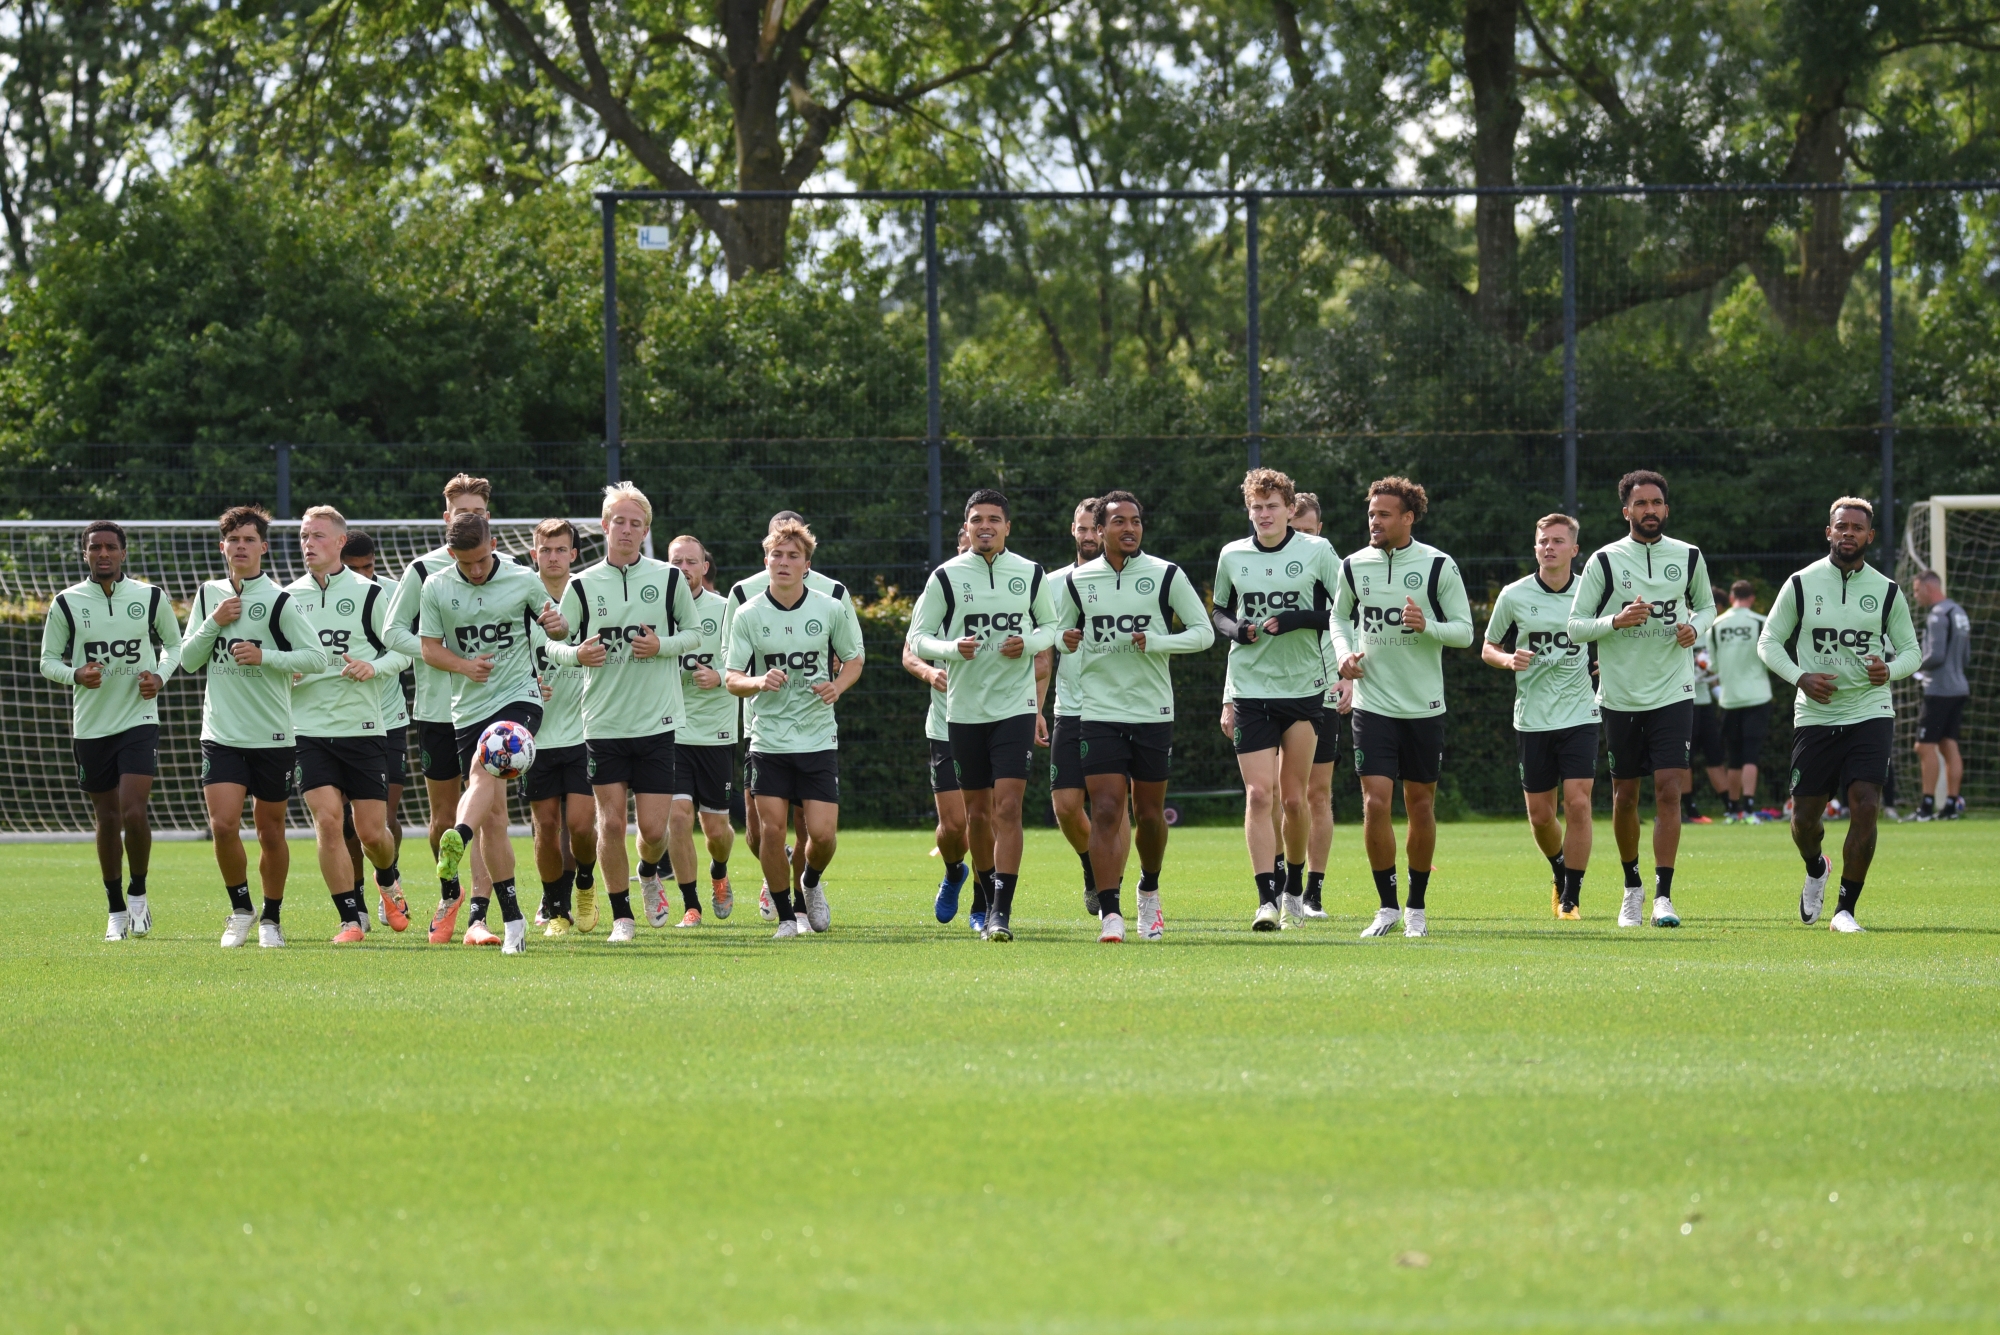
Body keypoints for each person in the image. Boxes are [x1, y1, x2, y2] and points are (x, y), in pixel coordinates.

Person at [541, 484, 700, 942]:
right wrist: (577, 656)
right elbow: (557, 644)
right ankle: (621, 917)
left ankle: (649, 872)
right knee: (608, 822)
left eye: (635, 523)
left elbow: (693, 634)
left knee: (652, 830)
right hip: (603, 722)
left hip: (656, 721)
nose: (626, 529)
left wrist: (661, 645)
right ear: (604, 525)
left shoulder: (669, 579)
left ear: (645, 529)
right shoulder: (583, 584)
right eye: (618, 521)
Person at [1057, 491, 1215, 943]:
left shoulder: (1166, 574)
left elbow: (1203, 634)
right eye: (1118, 522)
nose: (1129, 528)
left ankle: (1149, 889)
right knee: (1105, 809)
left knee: (1148, 815)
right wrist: (1065, 638)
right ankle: (1111, 913)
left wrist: (1158, 642)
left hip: (1151, 712)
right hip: (1098, 711)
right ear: (1100, 529)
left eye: (1136, 521)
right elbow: (1058, 633)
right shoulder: (1078, 581)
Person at [1758, 498, 1920, 932]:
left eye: (1857, 528)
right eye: (1841, 526)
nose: (1848, 533)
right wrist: (1800, 677)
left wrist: (1890, 670)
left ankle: (1845, 910)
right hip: (1816, 715)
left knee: (1865, 805)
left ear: (1870, 536)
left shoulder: (1887, 590)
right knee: (1804, 820)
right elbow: (1769, 641)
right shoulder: (1801, 583)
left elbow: (1911, 652)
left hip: (1871, 711)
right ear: (1828, 532)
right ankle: (1816, 869)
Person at [905, 489, 1059, 942]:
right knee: (974, 817)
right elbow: (918, 639)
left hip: (1015, 707)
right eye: (977, 519)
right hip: (964, 712)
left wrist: (1028, 643)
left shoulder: (1030, 573)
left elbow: (1050, 628)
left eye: (994, 519)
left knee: (1008, 808)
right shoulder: (946, 577)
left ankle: (1000, 911)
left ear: (1008, 527)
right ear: (967, 526)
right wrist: (953, 650)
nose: (985, 526)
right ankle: (980, 893)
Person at [1566, 470, 1715, 929]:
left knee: (1669, 788)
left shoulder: (1688, 556)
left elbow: (1707, 606)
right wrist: (1616, 621)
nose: (1649, 510)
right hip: (1621, 696)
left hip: (1674, 690)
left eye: (1656, 503)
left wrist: (1697, 627)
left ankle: (1664, 896)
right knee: (1625, 796)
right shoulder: (1605, 561)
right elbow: (1575, 625)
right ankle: (1632, 888)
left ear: (1666, 509)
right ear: (1626, 510)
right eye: (1640, 503)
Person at [1330, 477, 1474, 939]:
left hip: (1423, 707)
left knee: (1420, 804)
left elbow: (1466, 632)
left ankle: (1416, 906)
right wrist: (1343, 653)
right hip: (1373, 705)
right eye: (1371, 514)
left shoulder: (1437, 566)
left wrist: (1427, 625)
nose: (1374, 521)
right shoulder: (1353, 566)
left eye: (1384, 514)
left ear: (1408, 517)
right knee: (1374, 803)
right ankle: (1387, 906)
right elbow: (1339, 617)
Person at [419, 512, 569, 954]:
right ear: (452, 556)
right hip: (466, 708)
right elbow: (429, 649)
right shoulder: (436, 587)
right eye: (467, 564)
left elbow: (552, 627)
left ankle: (458, 836)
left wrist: (557, 625)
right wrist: (465, 666)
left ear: (494, 543)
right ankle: (515, 922)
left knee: (490, 760)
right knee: (497, 820)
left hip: (520, 698)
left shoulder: (523, 579)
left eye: (483, 559)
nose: (478, 569)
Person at [181, 506, 330, 948]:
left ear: (263, 547)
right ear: (222, 546)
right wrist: (214, 623)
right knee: (224, 825)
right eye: (233, 539)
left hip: (273, 736)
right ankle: (241, 910)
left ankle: (272, 918)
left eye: (249, 539)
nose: (241, 547)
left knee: (270, 831)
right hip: (221, 734)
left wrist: (267, 657)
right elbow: (188, 661)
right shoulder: (209, 596)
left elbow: (317, 658)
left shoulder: (281, 601)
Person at [1210, 468, 1340, 932]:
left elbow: (1345, 612)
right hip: (1250, 690)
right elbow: (1220, 612)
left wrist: (1298, 618)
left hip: (1304, 690)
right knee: (1259, 793)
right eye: (1256, 507)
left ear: (1289, 508)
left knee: (1295, 798)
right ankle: (1265, 898)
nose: (1263, 514)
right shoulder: (1233, 554)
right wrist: (1237, 631)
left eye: (1272, 506)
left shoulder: (1317, 551)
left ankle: (1294, 888)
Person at [40, 520, 183, 941]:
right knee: (106, 816)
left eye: (110, 547)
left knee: (134, 810)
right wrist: (75, 675)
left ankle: (138, 894)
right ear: (84, 554)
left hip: (138, 719)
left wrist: (159, 676)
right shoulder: (66, 603)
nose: (103, 554)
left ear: (124, 552)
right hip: (91, 724)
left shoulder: (150, 596)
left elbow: (174, 646)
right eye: (95, 547)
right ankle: (115, 908)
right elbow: (47, 661)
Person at [721, 509, 862, 933]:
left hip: (818, 737)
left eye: (792, 555)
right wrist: (759, 681)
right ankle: (785, 914)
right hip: (768, 740)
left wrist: (838, 686)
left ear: (807, 564)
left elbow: (854, 659)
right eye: (776, 554)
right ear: (765, 561)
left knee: (822, 836)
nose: (783, 561)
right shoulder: (748, 614)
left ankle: (811, 882)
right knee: (771, 831)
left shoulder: (830, 607)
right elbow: (731, 678)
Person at [383, 475, 510, 942]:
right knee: (443, 820)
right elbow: (391, 632)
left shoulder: (508, 568)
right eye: (461, 513)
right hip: (437, 710)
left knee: (488, 813)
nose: (469, 518)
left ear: (488, 518)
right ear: (446, 518)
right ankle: (450, 893)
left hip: (490, 708)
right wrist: (446, 657)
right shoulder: (422, 572)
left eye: (477, 512)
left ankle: (479, 915)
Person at [286, 506, 408, 943]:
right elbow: (272, 659)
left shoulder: (373, 595)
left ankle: (388, 878)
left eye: (317, 536)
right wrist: (287, 670)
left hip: (363, 727)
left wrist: (373, 667)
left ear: (340, 542)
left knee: (372, 832)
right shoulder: (287, 598)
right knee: (328, 821)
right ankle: (350, 919)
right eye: (303, 536)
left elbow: (405, 651)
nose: (308, 544)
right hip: (307, 730)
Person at [1481, 514, 1598, 918]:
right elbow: (1488, 647)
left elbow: (1613, 636)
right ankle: (1559, 870)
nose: (1549, 547)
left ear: (1574, 549)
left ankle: (1572, 897)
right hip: (1532, 718)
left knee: (1578, 804)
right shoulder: (1514, 595)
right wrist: (1509, 659)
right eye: (1543, 541)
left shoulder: (1591, 592)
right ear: (1535, 547)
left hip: (1581, 713)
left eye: (1558, 541)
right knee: (1542, 816)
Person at [523, 518, 597, 936]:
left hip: (586, 729)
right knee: (546, 826)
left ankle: (584, 884)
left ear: (573, 554)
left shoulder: (589, 594)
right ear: (535, 553)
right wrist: (525, 684)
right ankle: (555, 905)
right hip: (536, 733)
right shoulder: (520, 597)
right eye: (545, 550)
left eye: (560, 549)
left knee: (582, 826)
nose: (553, 557)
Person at [665, 534, 740, 926]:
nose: (683, 569)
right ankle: (690, 905)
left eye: (690, 562)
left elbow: (749, 663)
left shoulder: (726, 610)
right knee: (677, 817)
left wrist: (721, 675)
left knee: (717, 830)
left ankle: (719, 871)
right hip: (671, 731)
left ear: (704, 567)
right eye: (676, 562)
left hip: (716, 734)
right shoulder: (657, 611)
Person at [340, 532, 412, 926]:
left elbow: (409, 651)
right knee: (347, 823)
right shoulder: (317, 597)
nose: (364, 576)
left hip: (389, 720)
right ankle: (356, 901)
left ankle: (388, 879)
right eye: (354, 569)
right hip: (341, 723)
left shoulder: (391, 594)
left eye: (369, 566)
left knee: (383, 817)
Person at [1283, 493, 1350, 919]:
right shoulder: (1259, 565)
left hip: (1321, 692)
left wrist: (1346, 677)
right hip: (1272, 692)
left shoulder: (1331, 567)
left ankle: (1314, 891)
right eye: (1296, 531)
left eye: (1308, 531)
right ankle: (1277, 885)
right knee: (1276, 795)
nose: (1301, 539)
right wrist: (1229, 696)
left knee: (1317, 794)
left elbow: (1349, 620)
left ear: (1319, 531)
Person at [903, 525, 973, 927]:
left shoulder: (1011, 587)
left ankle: (986, 906)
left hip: (996, 719)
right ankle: (953, 872)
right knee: (953, 826)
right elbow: (910, 652)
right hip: (946, 724)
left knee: (991, 816)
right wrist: (931, 674)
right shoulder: (940, 586)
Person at [1040, 500, 1104, 919]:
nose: (1088, 536)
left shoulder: (1131, 580)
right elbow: (1043, 651)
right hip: (1070, 709)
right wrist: (1035, 707)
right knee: (1065, 806)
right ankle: (1092, 869)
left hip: (1119, 710)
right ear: (1072, 530)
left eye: (1094, 529)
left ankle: (1121, 887)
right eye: (1081, 528)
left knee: (1113, 806)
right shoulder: (1051, 583)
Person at [1706, 580, 1774, 821]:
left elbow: (1712, 665)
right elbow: (1771, 659)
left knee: (1733, 757)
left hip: (1729, 699)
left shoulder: (1714, 625)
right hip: (1757, 696)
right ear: (1752, 598)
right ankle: (1748, 808)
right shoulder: (1761, 623)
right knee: (1750, 755)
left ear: (1732, 597)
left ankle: (1733, 810)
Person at [1913, 570, 1971, 820]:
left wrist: (1911, 664)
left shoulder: (1937, 615)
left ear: (1928, 588)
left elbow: (1935, 655)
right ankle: (1950, 806)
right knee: (1948, 745)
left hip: (1939, 690)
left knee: (1923, 747)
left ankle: (1926, 807)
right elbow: (1966, 656)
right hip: (1959, 687)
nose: (1916, 596)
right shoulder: (1958, 612)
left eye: (1916, 590)